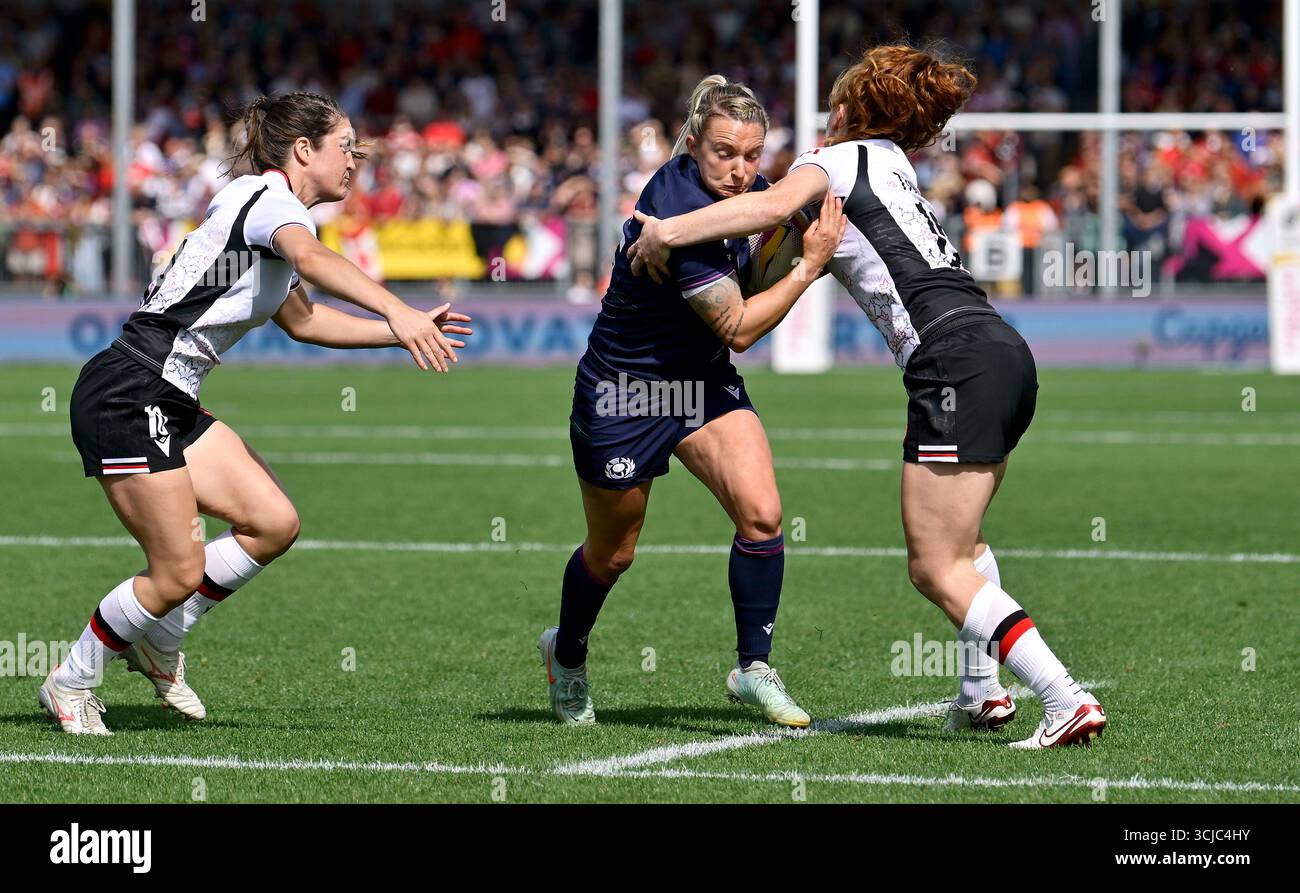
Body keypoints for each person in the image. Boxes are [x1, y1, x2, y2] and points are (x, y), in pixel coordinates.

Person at [628, 46, 1105, 749]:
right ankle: (982, 693)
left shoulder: (838, 160)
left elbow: (768, 205)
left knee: (934, 565)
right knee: (965, 543)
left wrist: (665, 229)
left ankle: (1064, 697)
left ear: (847, 109)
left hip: (951, 363)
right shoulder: (892, 167)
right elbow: (786, 259)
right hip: (1000, 350)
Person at [41, 91, 472, 735]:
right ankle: (72, 680)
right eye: (345, 145)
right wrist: (398, 308)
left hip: (168, 393)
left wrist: (402, 332)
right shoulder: (266, 201)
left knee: (273, 522)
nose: (355, 159)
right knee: (178, 570)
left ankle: (160, 638)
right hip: (129, 389)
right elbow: (312, 261)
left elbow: (305, 322)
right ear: (303, 150)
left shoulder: (280, 216)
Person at [539, 75, 846, 728]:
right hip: (626, 391)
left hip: (702, 384)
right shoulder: (676, 207)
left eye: (751, 155)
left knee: (762, 515)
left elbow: (799, 212)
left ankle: (753, 667)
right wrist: (806, 265)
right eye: (723, 153)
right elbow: (739, 328)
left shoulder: (750, 197)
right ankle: (566, 654)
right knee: (613, 553)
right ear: (694, 144)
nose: (739, 171)